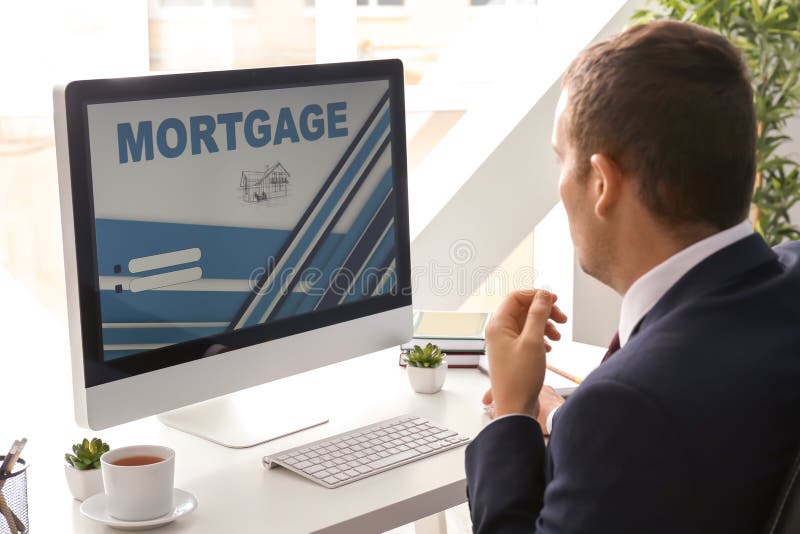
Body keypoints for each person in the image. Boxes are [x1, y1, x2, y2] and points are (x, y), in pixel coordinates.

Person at [465, 19, 800, 533]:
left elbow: (645, 423)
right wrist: (562, 418)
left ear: (601, 182)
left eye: (562, 159)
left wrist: (512, 413)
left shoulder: (626, 410)